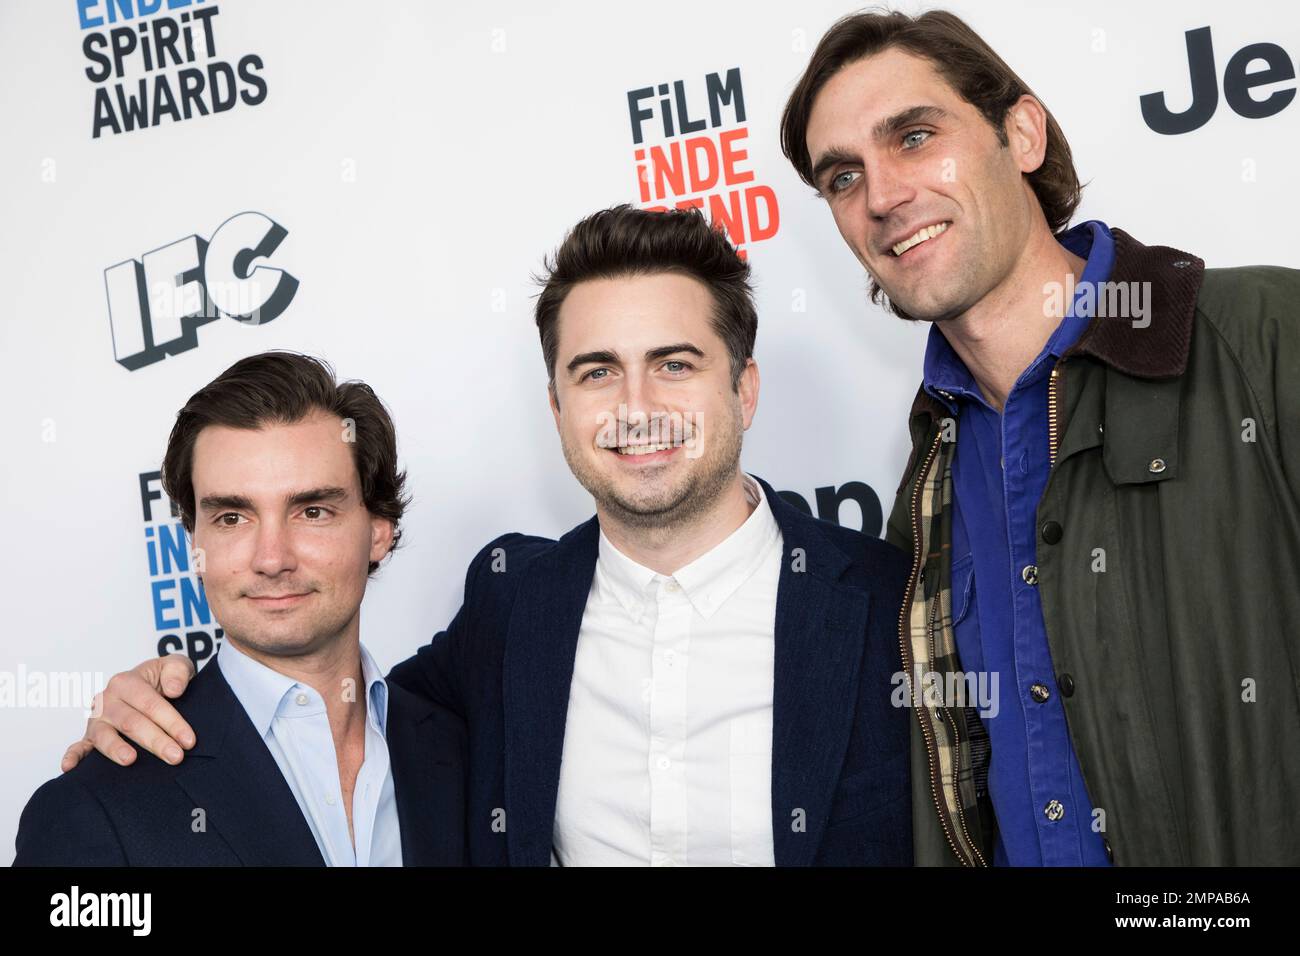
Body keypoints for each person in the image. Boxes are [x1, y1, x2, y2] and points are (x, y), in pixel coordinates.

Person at [59, 206, 912, 866]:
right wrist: (156, 696)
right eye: (597, 371)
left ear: (746, 389)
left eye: (676, 364)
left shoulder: (895, 602)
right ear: (557, 406)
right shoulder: (511, 611)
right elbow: (316, 688)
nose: (637, 407)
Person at [779, 7, 1300, 865]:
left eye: (913, 136)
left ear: (1021, 133)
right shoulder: (926, 487)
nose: (880, 197)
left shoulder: (1262, 341)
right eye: (842, 178)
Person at [17, 352, 467, 866]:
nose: (272, 559)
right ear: (195, 543)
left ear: (378, 532)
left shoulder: (460, 750)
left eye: (313, 511)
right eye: (232, 517)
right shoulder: (90, 809)